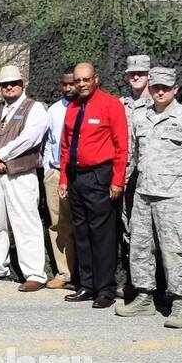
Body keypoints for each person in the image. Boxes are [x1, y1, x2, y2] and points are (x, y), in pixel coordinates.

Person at [115, 67, 182, 327]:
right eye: (156, 87)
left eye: (165, 88)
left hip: (173, 197)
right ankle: (145, 296)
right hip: (144, 193)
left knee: (175, 249)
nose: (160, 91)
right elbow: (134, 155)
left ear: (175, 90)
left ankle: (179, 301)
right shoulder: (140, 118)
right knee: (139, 247)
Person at [58, 62, 129, 308]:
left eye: (85, 79)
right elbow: (65, 146)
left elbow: (122, 147)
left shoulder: (111, 105)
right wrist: (64, 179)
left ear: (95, 79)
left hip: (100, 177)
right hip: (76, 178)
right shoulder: (73, 107)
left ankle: (105, 290)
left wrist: (117, 180)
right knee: (82, 234)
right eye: (77, 81)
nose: (81, 84)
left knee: (102, 236)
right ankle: (86, 286)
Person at [0, 65, 50, 291]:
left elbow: (30, 139)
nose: (9, 87)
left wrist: (1, 155)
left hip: (21, 175)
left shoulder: (34, 109)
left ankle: (35, 273)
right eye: (5, 84)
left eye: (13, 83)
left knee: (26, 222)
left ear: (21, 84)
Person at [118, 54, 153, 297]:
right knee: (128, 230)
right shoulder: (120, 105)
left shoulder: (160, 102)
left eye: (141, 73)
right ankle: (134, 280)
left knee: (153, 234)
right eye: (132, 73)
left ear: (149, 74)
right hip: (124, 177)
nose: (136, 77)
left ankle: (156, 284)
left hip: (151, 181)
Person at [41, 67, 77, 289]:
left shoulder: (90, 107)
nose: (69, 88)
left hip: (81, 174)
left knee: (83, 223)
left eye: (72, 83)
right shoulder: (54, 110)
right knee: (57, 224)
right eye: (65, 84)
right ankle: (64, 272)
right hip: (55, 172)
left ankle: (85, 274)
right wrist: (48, 170)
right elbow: (49, 142)